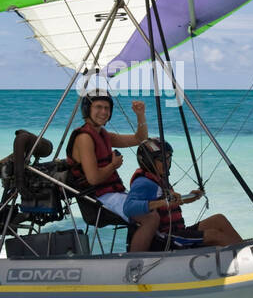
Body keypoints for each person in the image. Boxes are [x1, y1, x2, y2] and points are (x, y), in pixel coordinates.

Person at [125, 138, 243, 252]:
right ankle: (245, 257)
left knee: (218, 220)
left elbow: (170, 203)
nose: (167, 162)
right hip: (164, 239)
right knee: (213, 235)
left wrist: (191, 197)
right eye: (162, 159)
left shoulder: (159, 179)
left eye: (169, 158)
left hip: (178, 232)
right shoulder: (143, 182)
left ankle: (243, 248)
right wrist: (163, 202)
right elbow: (128, 207)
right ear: (148, 161)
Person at [65, 91, 158, 235]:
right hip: (99, 198)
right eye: (98, 107)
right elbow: (93, 178)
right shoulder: (84, 138)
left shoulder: (104, 135)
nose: (103, 112)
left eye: (107, 108)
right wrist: (113, 166)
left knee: (159, 203)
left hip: (113, 193)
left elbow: (140, 138)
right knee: (150, 216)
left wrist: (140, 115)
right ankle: (138, 256)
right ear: (87, 109)